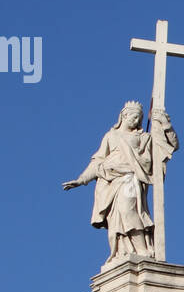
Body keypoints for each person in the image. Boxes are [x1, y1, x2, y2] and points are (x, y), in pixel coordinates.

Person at [63, 101, 178, 262]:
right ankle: (125, 250)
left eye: (140, 118)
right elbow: (97, 161)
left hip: (130, 180)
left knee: (128, 211)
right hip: (110, 183)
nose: (137, 121)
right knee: (117, 220)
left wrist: (166, 125)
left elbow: (170, 146)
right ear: (124, 115)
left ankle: (142, 249)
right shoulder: (111, 136)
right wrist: (81, 180)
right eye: (134, 116)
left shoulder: (145, 138)